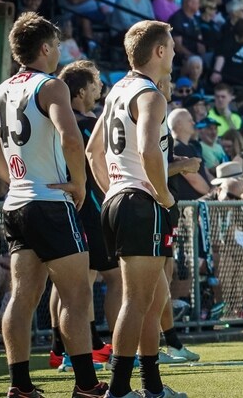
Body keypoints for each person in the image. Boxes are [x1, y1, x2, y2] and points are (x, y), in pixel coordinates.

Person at [0, 14, 108, 398]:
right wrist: (79, 184)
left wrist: (15, 180)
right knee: (77, 297)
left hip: (16, 204)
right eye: (58, 45)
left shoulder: (1, 89)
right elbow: (71, 138)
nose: (60, 52)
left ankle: (21, 386)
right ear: (45, 48)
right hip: (50, 200)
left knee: (22, 296)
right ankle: (86, 384)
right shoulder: (52, 86)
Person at [86, 20, 183, 398]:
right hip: (140, 202)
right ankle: (121, 388)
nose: (174, 52)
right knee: (138, 300)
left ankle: (152, 387)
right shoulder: (148, 94)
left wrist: (113, 189)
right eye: (171, 46)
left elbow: (95, 150)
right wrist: (164, 196)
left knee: (154, 299)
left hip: (120, 199)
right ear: (159, 51)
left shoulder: (118, 90)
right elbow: (146, 150)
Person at [51, 60, 120, 375]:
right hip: (90, 207)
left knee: (67, 282)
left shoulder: (57, 119)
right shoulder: (84, 124)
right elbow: (98, 159)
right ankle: (109, 347)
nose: (100, 88)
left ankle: (63, 348)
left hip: (62, 206)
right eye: (95, 84)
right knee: (112, 278)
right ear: (80, 91)